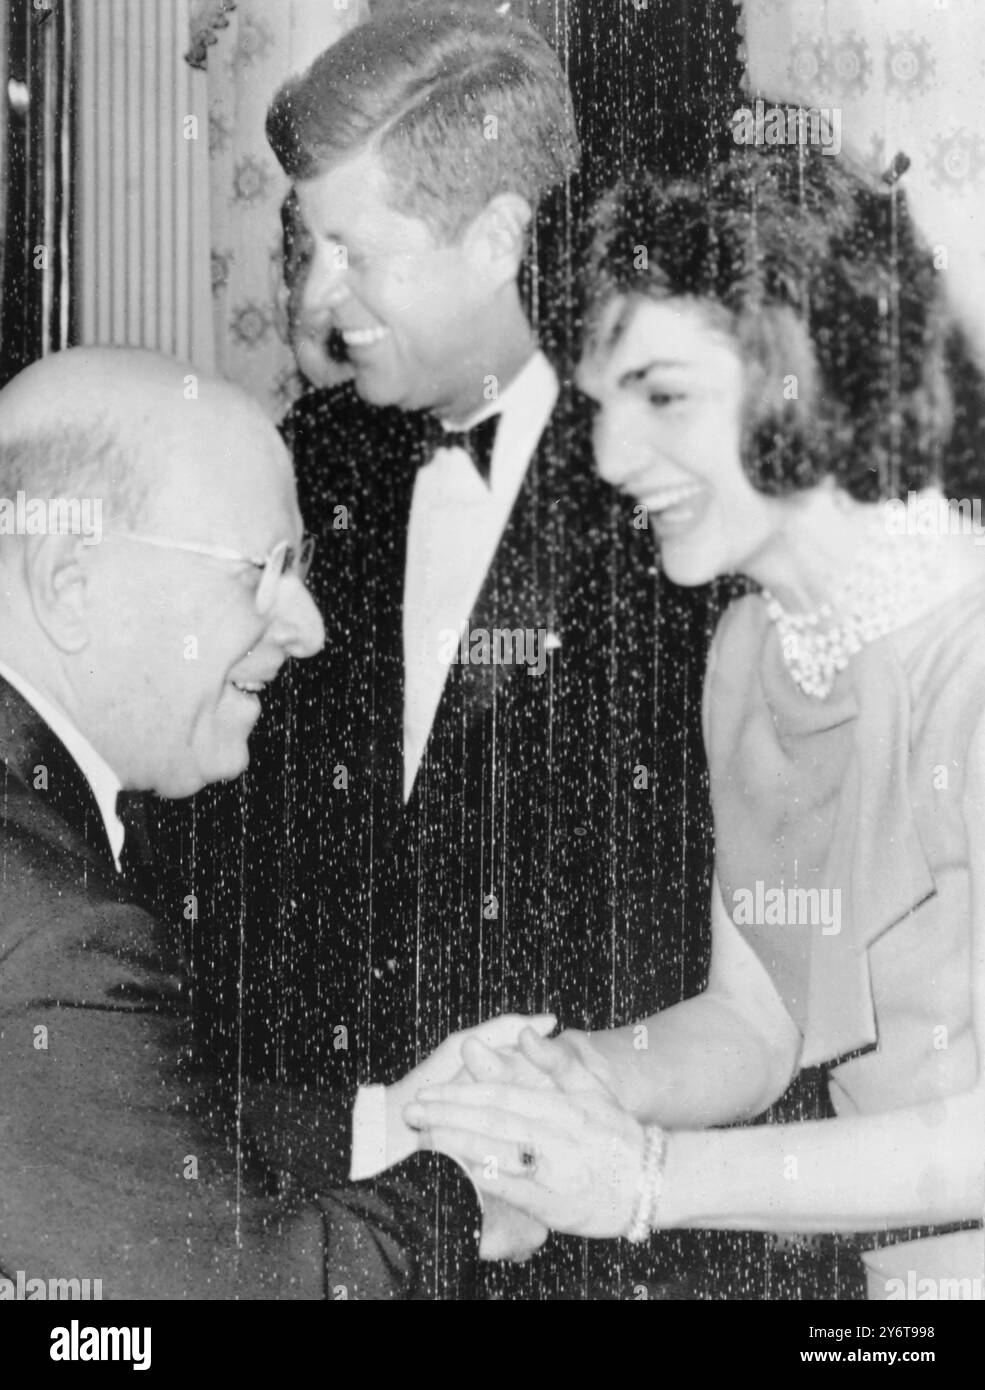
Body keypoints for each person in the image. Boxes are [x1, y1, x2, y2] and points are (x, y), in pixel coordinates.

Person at [407, 138, 985, 1300]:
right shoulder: (750, 654)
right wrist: (557, 1082)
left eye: (664, 394)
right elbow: (756, 1024)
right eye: (601, 402)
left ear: (818, 367)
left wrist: (646, 1179)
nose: (613, 455)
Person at [195, 1, 701, 1298]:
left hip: (598, 1233)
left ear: (493, 240)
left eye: (354, 254)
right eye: (308, 252)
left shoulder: (683, 504)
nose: (316, 302)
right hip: (341, 1208)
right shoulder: (306, 462)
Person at [0, 345, 552, 1299]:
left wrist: (388, 1125)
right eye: (260, 572)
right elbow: (258, 1289)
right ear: (70, 586)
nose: (309, 627)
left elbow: (111, 1121)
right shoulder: (57, 926)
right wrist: (459, 1194)